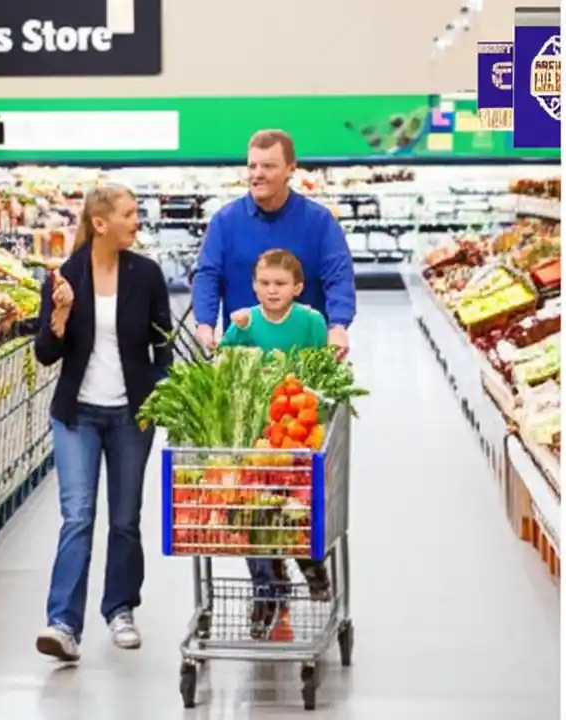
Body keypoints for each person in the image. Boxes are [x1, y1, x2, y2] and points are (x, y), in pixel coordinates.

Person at [32, 184, 174, 662]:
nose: (138, 221)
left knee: (125, 519)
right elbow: (45, 355)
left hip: (131, 414)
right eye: (130, 214)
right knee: (77, 517)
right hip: (78, 415)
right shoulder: (64, 276)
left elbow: (163, 345)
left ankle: (120, 610)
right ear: (101, 223)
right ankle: (62, 624)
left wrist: (159, 394)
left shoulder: (147, 275)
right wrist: (61, 316)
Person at [218, 248, 332, 637]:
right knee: (255, 514)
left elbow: (323, 371)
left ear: (297, 288)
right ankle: (266, 591)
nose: (271, 290)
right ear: (253, 285)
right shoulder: (245, 322)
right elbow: (223, 365)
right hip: (256, 439)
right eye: (264, 283)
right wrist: (233, 330)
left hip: (298, 438)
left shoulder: (311, 322)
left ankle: (310, 565)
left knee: (298, 509)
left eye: (280, 284)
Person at [192, 129, 356, 358]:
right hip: (244, 360)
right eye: (252, 166)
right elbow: (208, 275)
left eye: (268, 166)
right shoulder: (225, 222)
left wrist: (338, 326)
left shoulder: (319, 222)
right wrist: (205, 323)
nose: (257, 174)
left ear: (291, 169)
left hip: (306, 359)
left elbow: (339, 276)